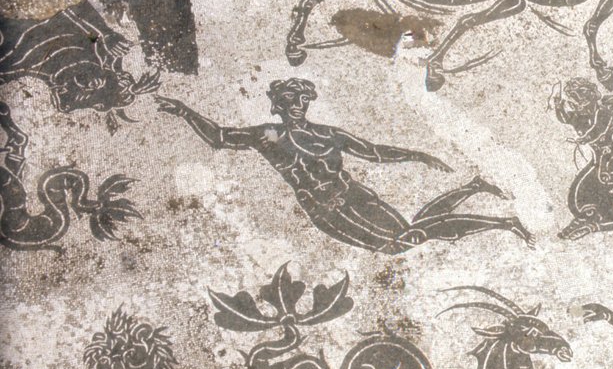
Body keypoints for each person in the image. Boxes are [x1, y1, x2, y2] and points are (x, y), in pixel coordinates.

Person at [156, 78, 530, 252]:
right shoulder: (269, 136)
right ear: (279, 106)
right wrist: (185, 111)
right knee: (401, 244)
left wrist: (419, 155)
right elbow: (220, 138)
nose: (297, 105)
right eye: (290, 100)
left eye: (302, 99)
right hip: (326, 208)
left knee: (412, 232)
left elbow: (374, 151)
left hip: (354, 194)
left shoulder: (329, 134)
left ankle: (476, 190)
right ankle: (497, 217)